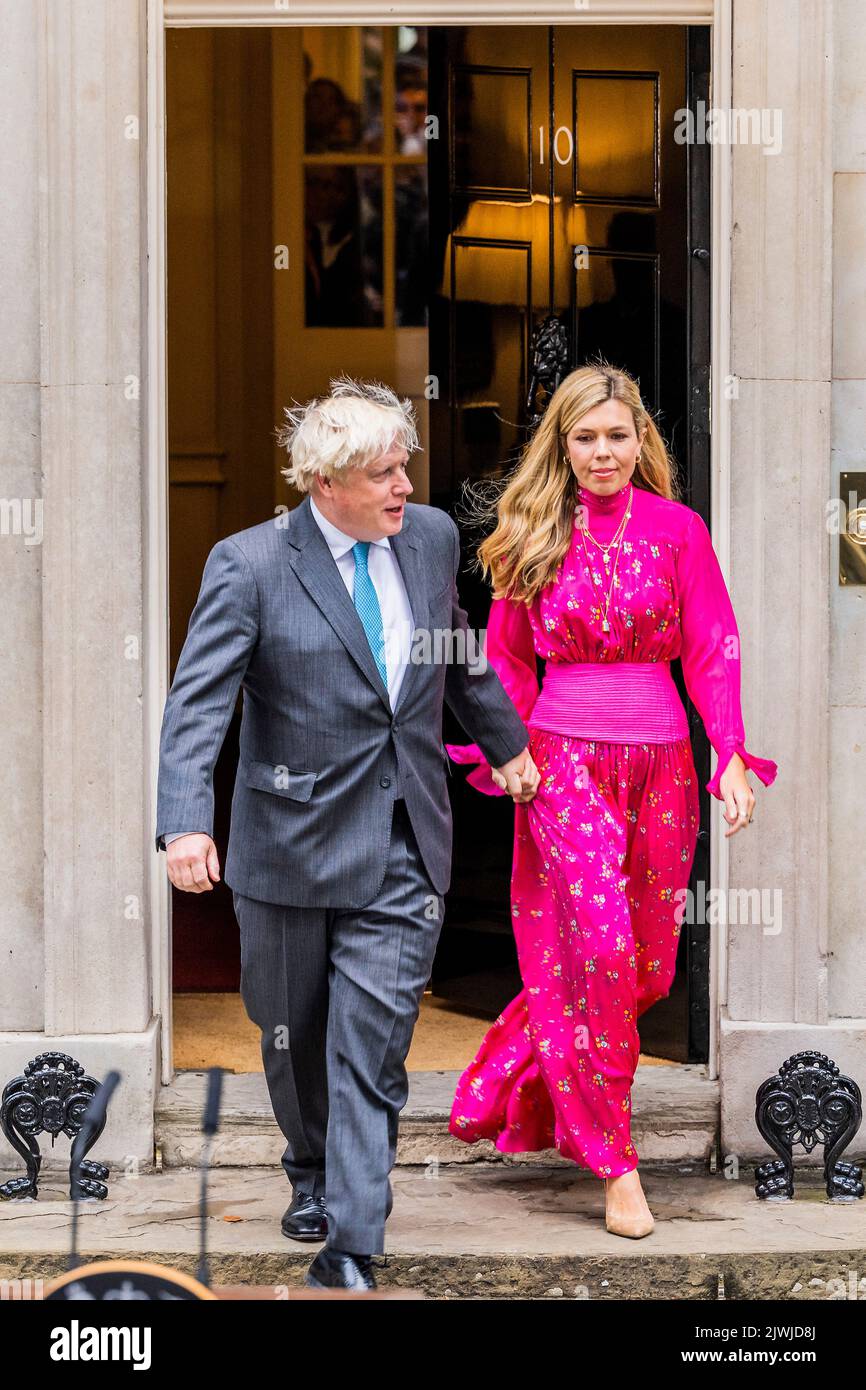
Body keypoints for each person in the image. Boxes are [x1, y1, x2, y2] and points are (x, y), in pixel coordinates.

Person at [155, 376, 539, 1291]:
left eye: (404, 466)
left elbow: (455, 645)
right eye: (383, 474)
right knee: (292, 1032)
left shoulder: (431, 537)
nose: (405, 487)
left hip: (405, 835)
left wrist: (507, 744)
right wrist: (183, 824)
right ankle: (311, 1172)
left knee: (372, 1041)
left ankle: (353, 1239)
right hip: (285, 847)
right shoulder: (248, 566)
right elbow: (197, 705)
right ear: (326, 483)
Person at [446, 361, 778, 1239]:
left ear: (642, 443)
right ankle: (616, 1163)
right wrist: (508, 751)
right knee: (596, 945)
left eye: (617, 437)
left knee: (647, 968)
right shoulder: (532, 534)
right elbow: (508, 659)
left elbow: (713, 648)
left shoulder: (678, 531)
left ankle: (530, 1059)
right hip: (560, 763)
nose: (602, 453)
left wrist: (731, 754)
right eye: (585, 437)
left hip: (664, 761)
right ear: (563, 444)